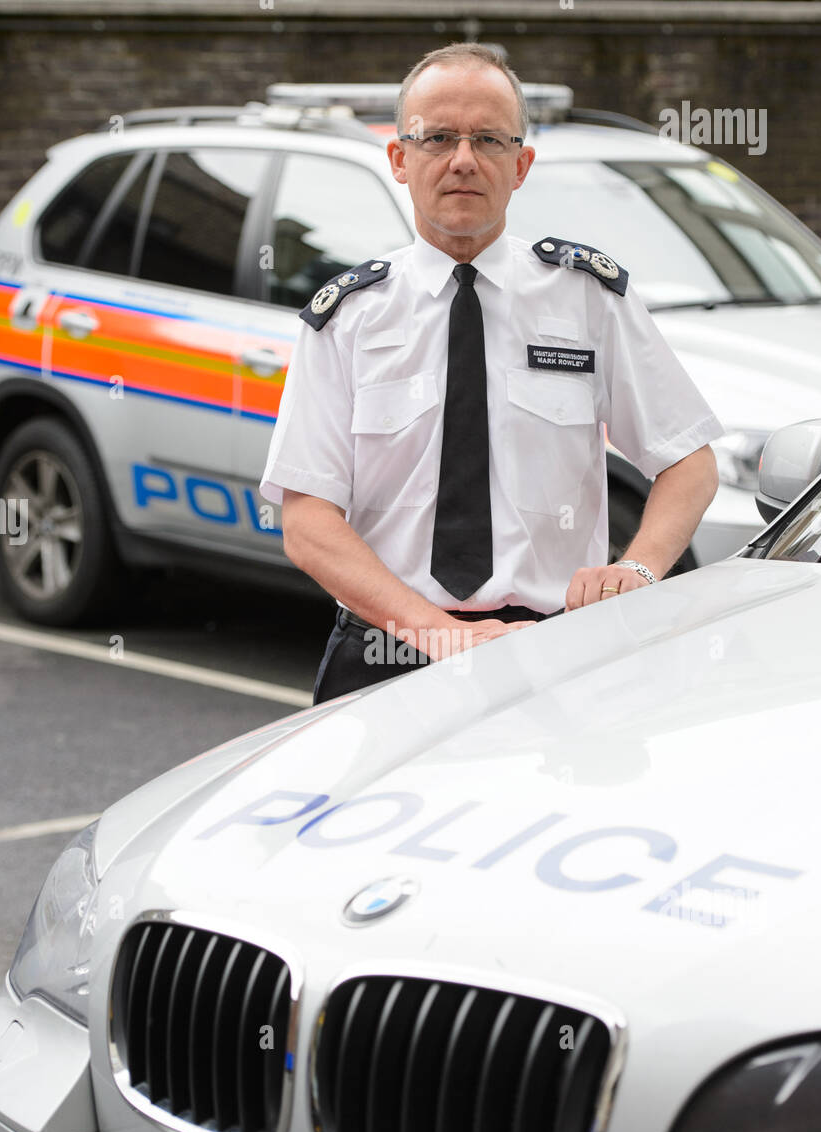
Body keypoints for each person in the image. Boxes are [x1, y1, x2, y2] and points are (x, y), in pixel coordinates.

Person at [260, 42, 722, 704]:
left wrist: (639, 569)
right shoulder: (347, 318)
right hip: (389, 654)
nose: (463, 160)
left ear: (521, 163)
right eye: (438, 137)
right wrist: (440, 634)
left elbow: (689, 462)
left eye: (489, 140)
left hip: (556, 654)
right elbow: (307, 522)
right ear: (400, 157)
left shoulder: (588, 297)